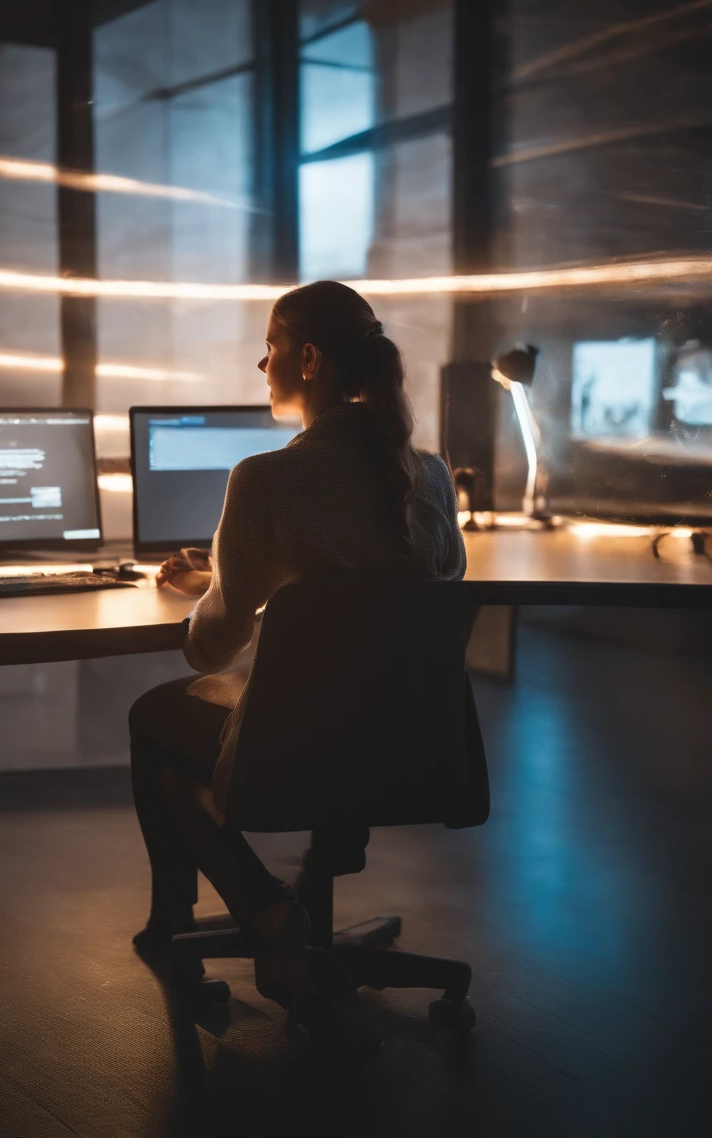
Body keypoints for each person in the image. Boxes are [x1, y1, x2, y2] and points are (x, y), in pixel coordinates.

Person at [128, 280, 465, 1038]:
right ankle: (303, 901)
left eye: (272, 346)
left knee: (154, 720)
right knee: (303, 714)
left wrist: (211, 591)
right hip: (409, 740)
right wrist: (235, 571)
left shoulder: (265, 480)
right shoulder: (432, 478)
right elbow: (405, 601)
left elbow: (209, 645)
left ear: (308, 360)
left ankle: (259, 909)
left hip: (295, 745)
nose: (261, 362)